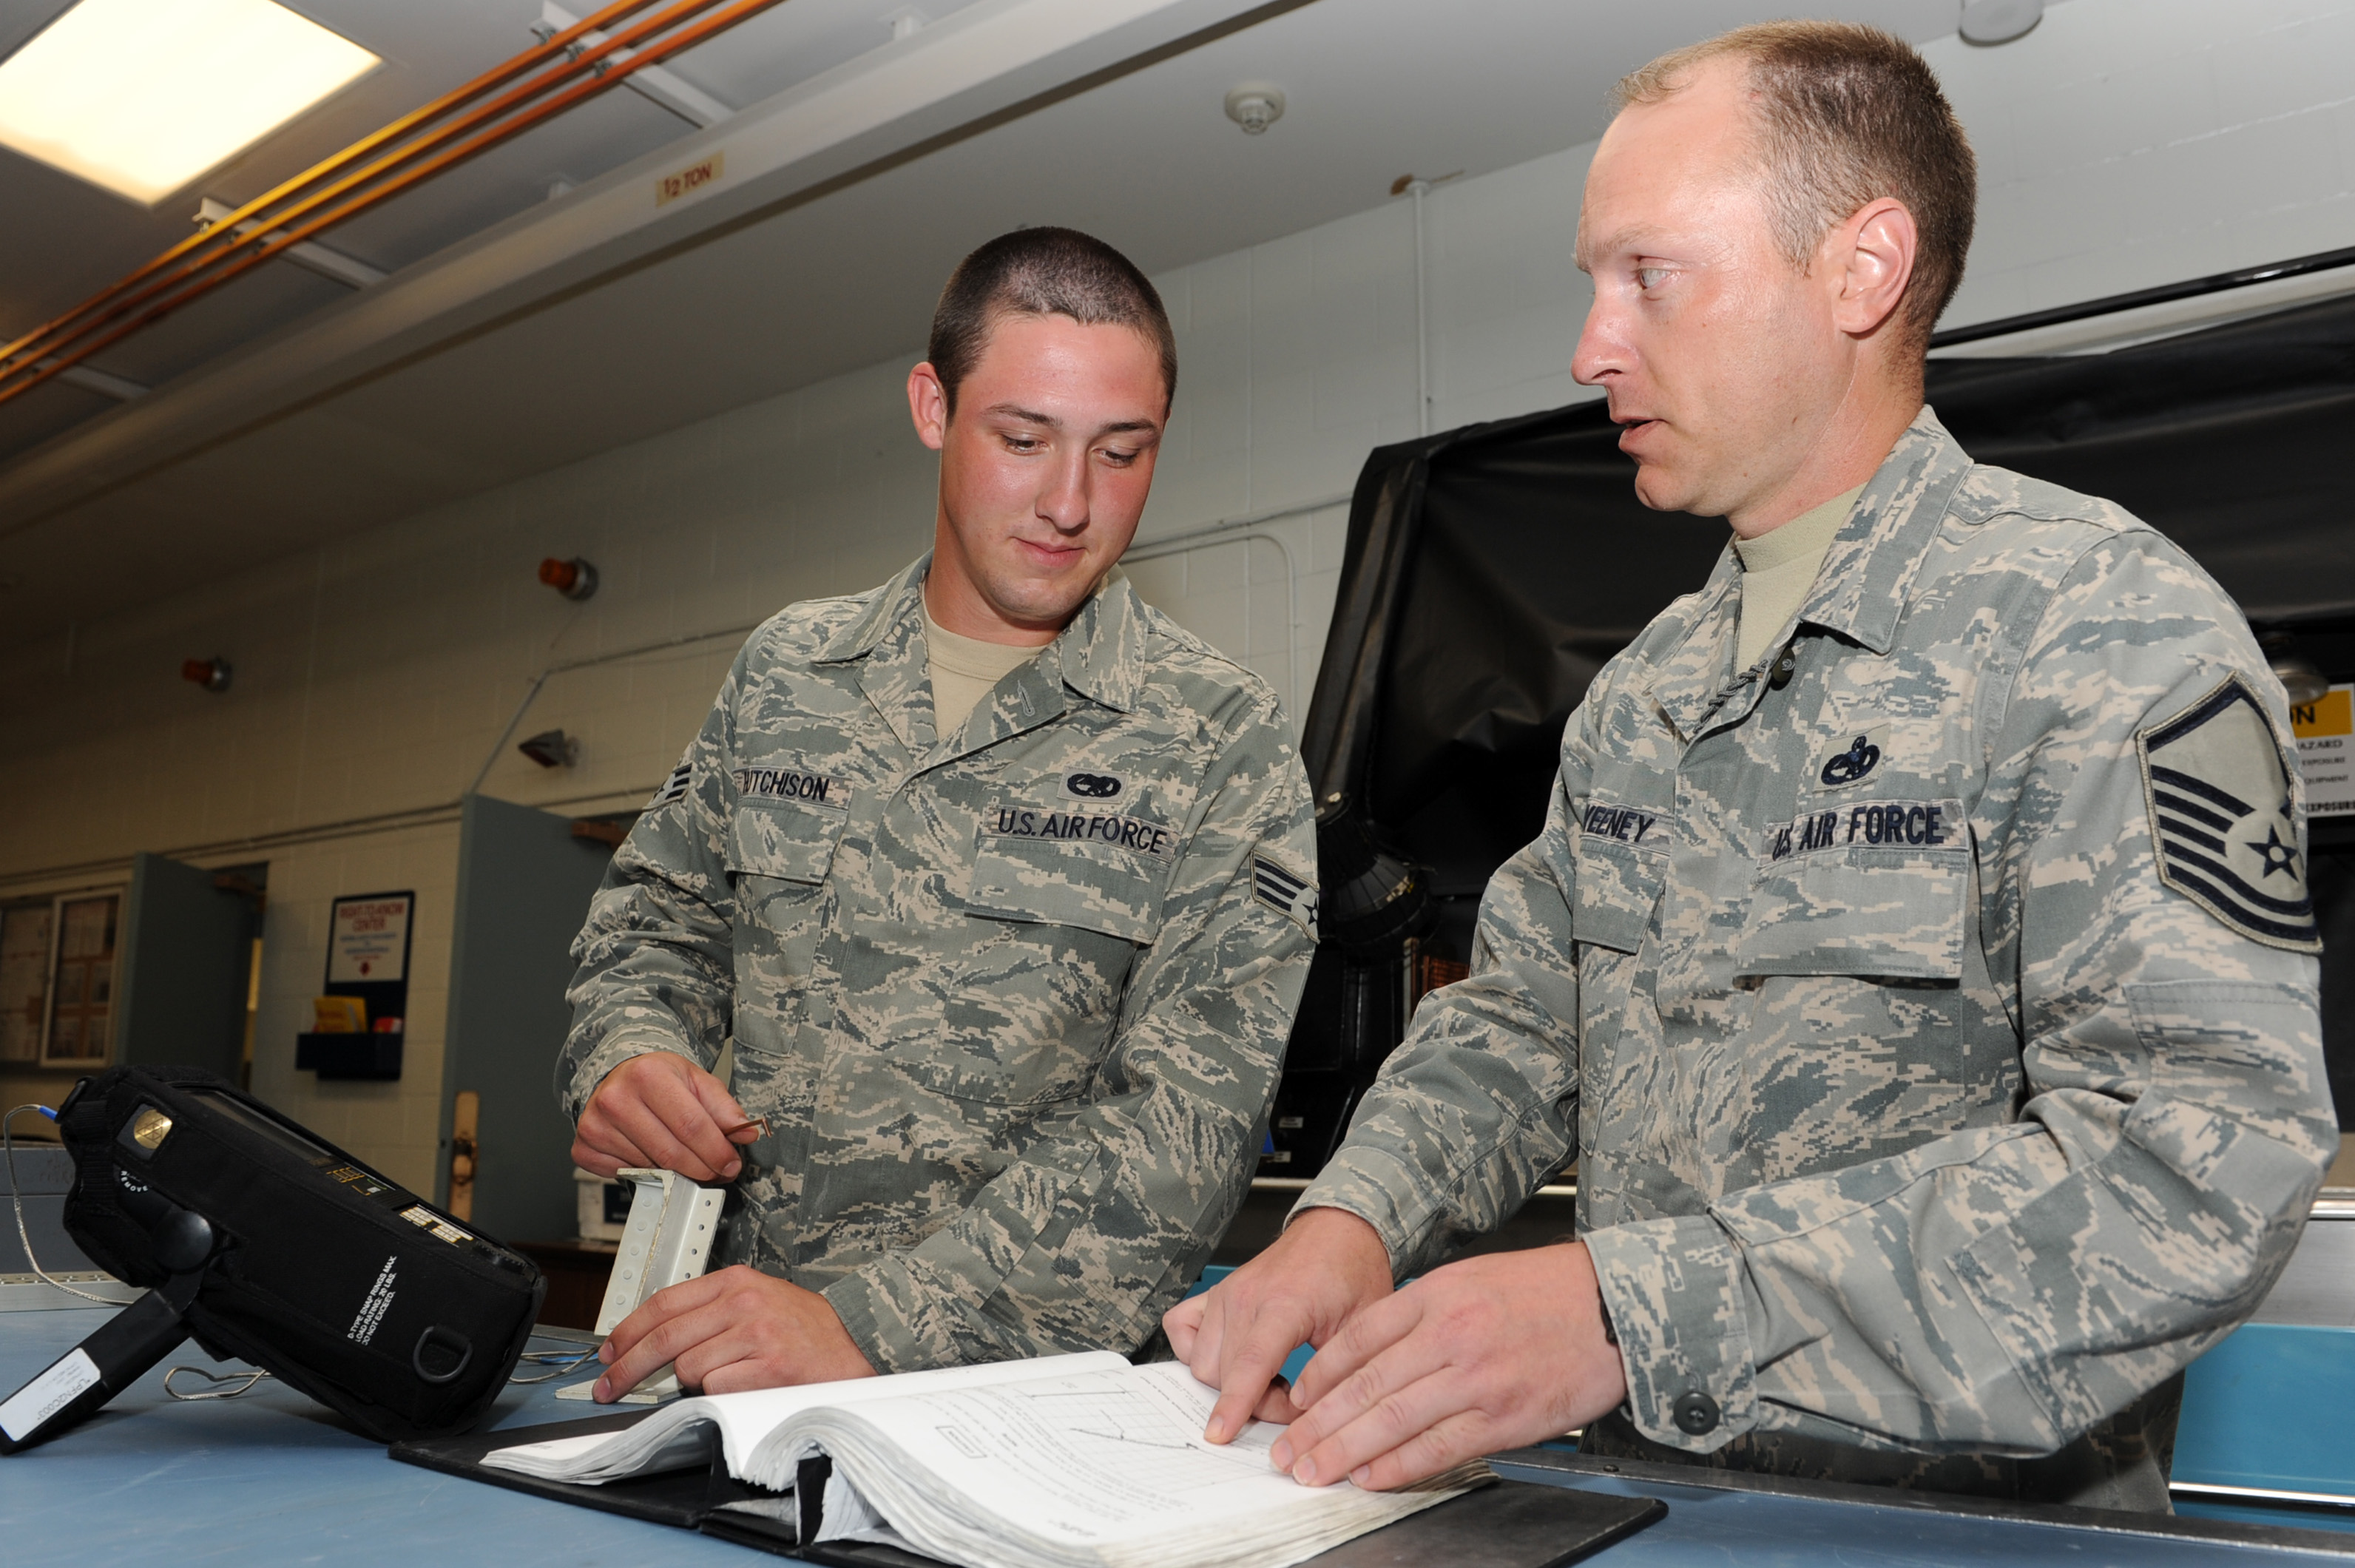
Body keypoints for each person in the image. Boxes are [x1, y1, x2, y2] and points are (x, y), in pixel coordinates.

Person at [1169, 22, 2334, 1511]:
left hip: (1959, 1541)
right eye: (1591, 283)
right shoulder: (1643, 694)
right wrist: (1348, 1219)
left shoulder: (2097, 629)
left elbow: (2191, 1171)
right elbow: (1524, 1025)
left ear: (1858, 270)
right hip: (1639, 1513)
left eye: (1646, 274)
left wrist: (1620, 1311)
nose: (1589, 345)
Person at [558, 227, 1320, 1401]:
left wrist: (869, 1329)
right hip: (720, 1370)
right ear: (932, 406)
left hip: (1015, 1402)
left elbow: (1185, 1133)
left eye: (1122, 454)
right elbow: (651, 922)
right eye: (1023, 440)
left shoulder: (1218, 735)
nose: (1071, 503)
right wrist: (629, 1054)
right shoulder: (789, 673)